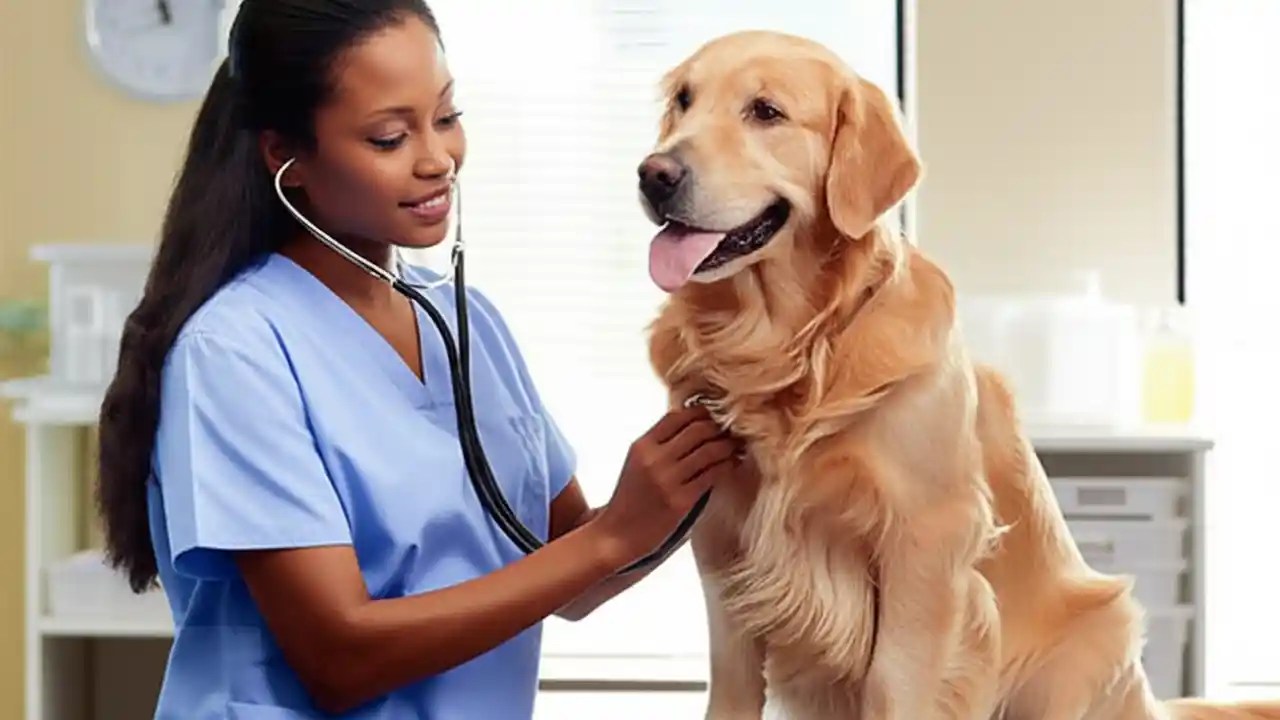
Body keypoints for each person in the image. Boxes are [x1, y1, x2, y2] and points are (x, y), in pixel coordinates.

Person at [93, 1, 741, 717]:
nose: (437, 159)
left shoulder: (469, 325)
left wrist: (697, 478)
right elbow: (338, 658)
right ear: (285, 156)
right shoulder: (235, 352)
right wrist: (614, 535)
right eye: (389, 137)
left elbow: (573, 576)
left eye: (447, 117)